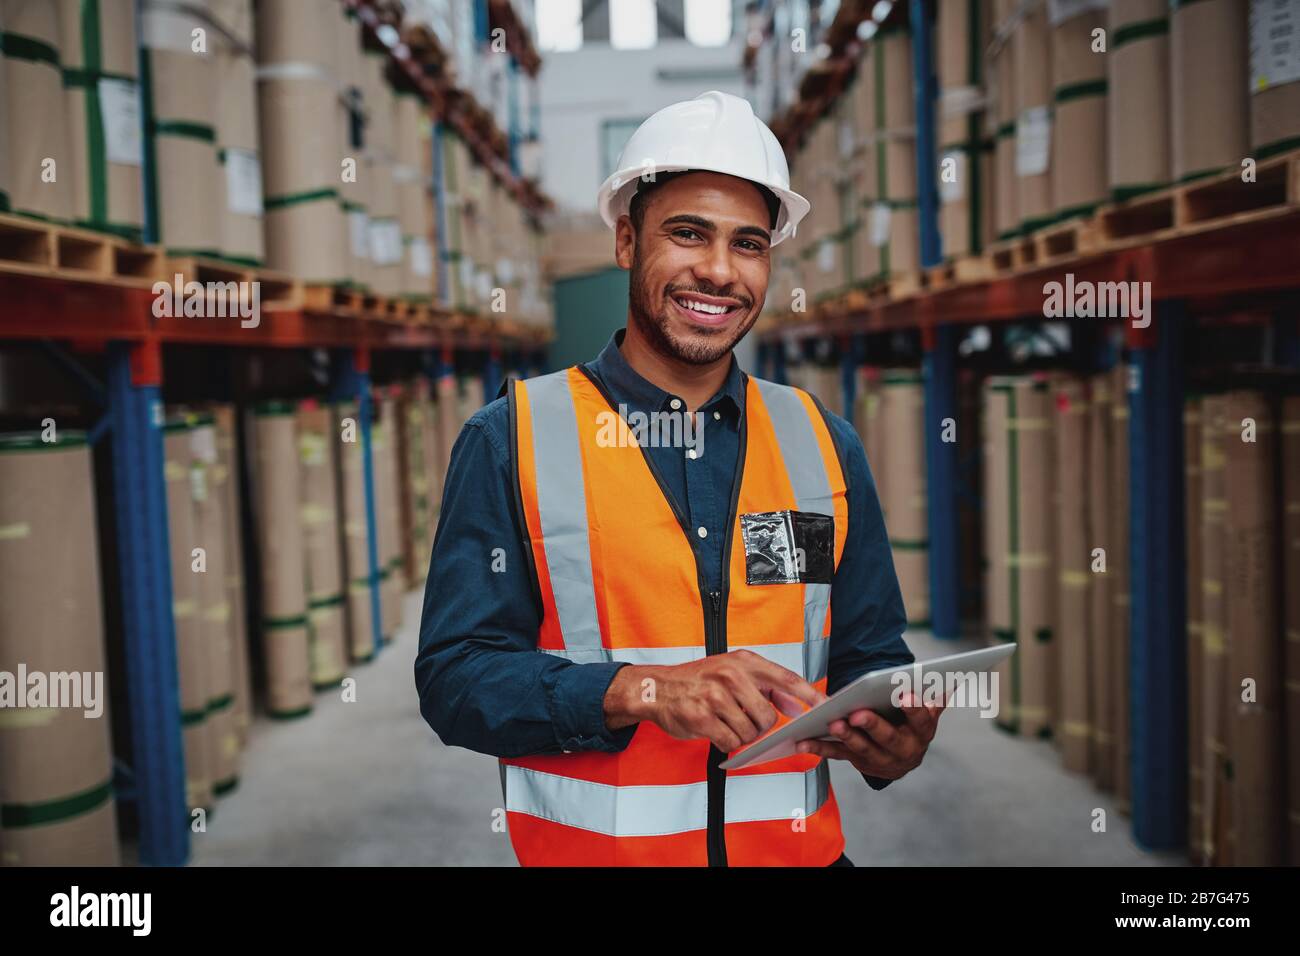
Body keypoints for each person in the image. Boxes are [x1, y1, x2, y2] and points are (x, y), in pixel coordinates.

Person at [415, 91, 943, 867]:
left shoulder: (820, 444)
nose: (719, 272)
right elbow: (456, 681)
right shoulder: (512, 439)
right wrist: (644, 690)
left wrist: (887, 739)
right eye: (688, 234)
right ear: (627, 240)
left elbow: (868, 655)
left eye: (749, 244)